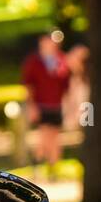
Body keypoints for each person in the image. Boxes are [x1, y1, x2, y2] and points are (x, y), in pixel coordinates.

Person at [20, 31, 71, 178]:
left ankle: (53, 168)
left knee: (55, 137)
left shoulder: (61, 59)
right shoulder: (34, 62)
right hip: (41, 104)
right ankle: (38, 165)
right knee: (44, 136)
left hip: (57, 104)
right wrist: (31, 106)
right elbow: (28, 86)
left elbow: (66, 84)